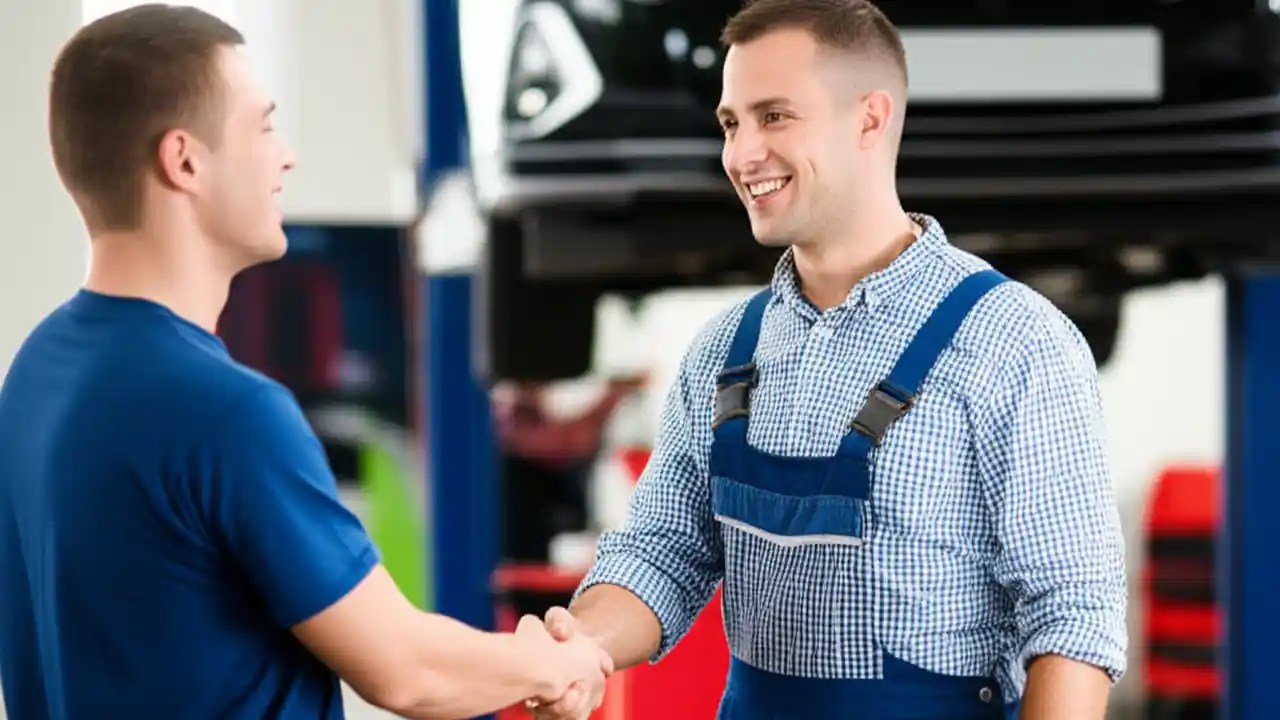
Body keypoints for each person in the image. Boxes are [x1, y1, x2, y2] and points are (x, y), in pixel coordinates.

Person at [0, 6, 611, 720]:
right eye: (262, 125)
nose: (284, 154)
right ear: (184, 160)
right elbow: (408, 672)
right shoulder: (224, 411)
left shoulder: (37, 371)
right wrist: (555, 660)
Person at [532, 1, 1129, 719]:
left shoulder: (1015, 343)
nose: (742, 154)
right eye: (731, 123)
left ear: (870, 119)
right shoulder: (727, 352)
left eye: (775, 116)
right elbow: (661, 553)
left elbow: (1071, 618)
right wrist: (580, 646)